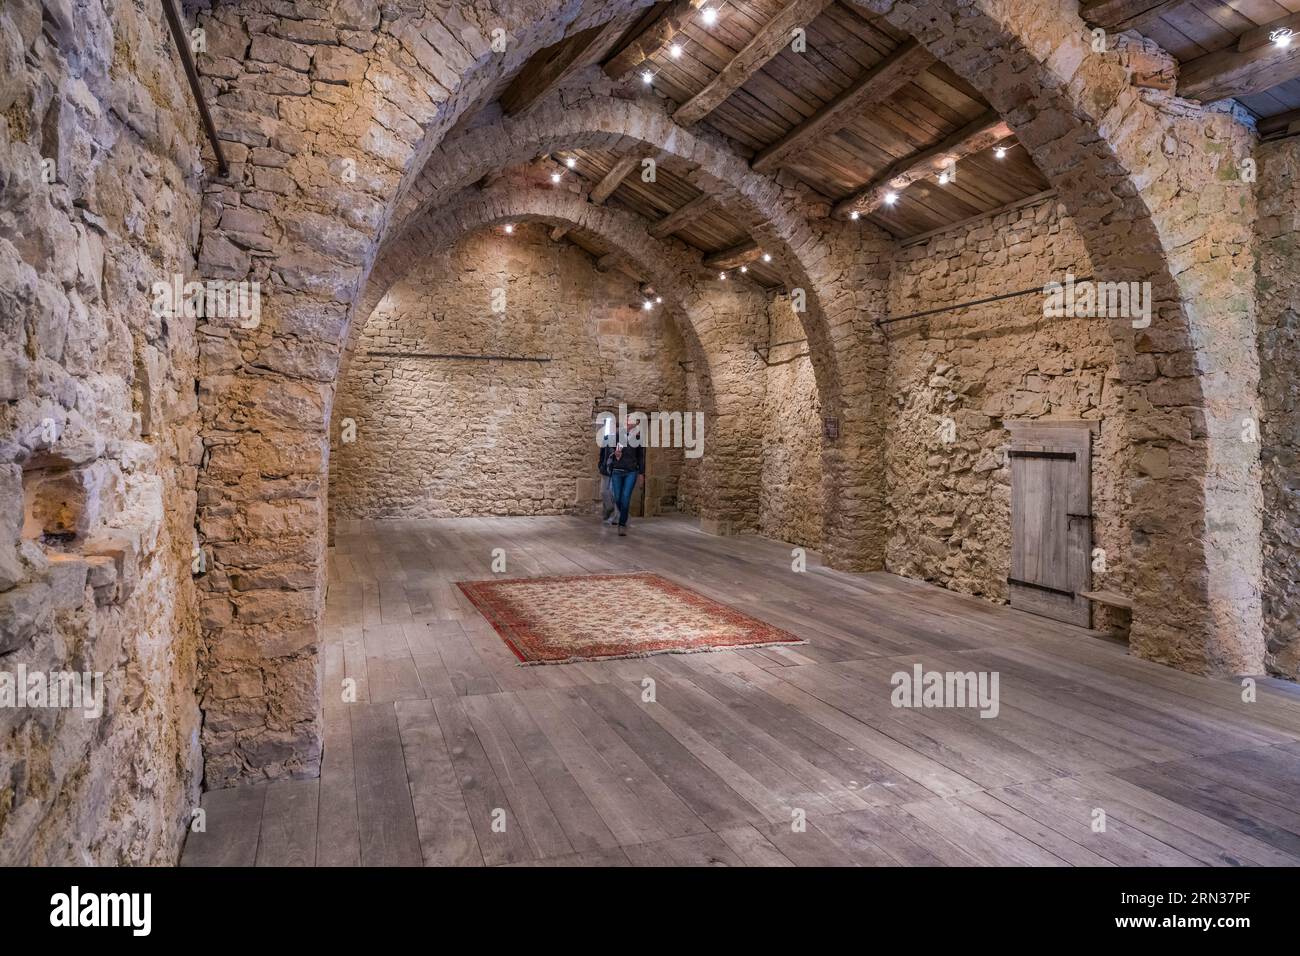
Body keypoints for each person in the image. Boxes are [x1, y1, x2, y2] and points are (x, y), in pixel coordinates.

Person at [607, 417, 645, 536]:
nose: (628, 423)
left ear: (635, 423)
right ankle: (624, 514)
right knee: (617, 498)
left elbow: (641, 456)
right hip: (617, 471)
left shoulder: (638, 437)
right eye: (627, 421)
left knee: (625, 498)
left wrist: (641, 473)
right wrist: (615, 454)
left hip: (631, 471)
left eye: (631, 421)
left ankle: (622, 524)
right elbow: (609, 449)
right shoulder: (618, 435)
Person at [597, 443, 617, 525]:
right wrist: (601, 465)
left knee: (615, 494)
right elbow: (602, 453)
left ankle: (617, 518)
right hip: (605, 469)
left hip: (617, 470)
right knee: (603, 491)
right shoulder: (606, 438)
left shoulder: (623, 438)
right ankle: (609, 507)